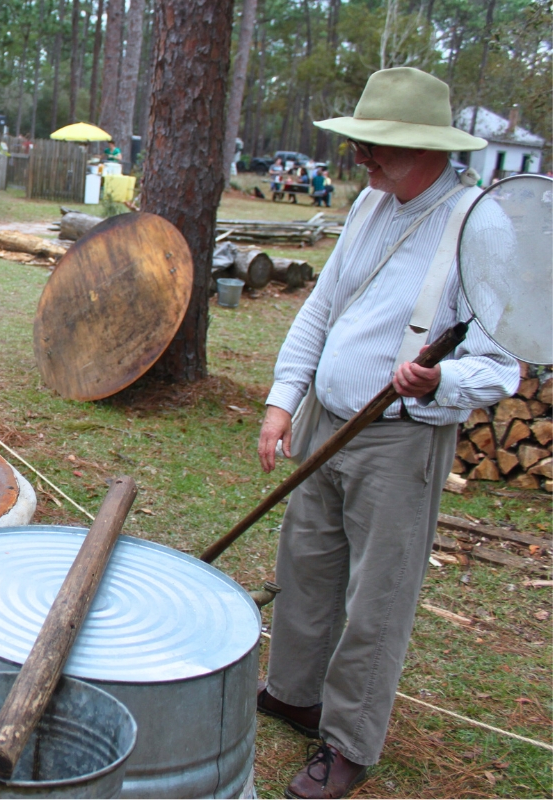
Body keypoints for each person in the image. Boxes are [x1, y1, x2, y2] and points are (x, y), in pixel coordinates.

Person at [256, 67, 518, 799]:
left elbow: (502, 368)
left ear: (431, 149)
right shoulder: (372, 205)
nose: (363, 159)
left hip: (401, 439)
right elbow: (321, 310)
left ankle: (348, 741)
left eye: (379, 147)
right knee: (306, 565)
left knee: (379, 597)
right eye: (363, 144)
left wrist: (443, 381)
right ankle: (293, 692)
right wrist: (283, 403)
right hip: (327, 426)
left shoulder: (478, 227)